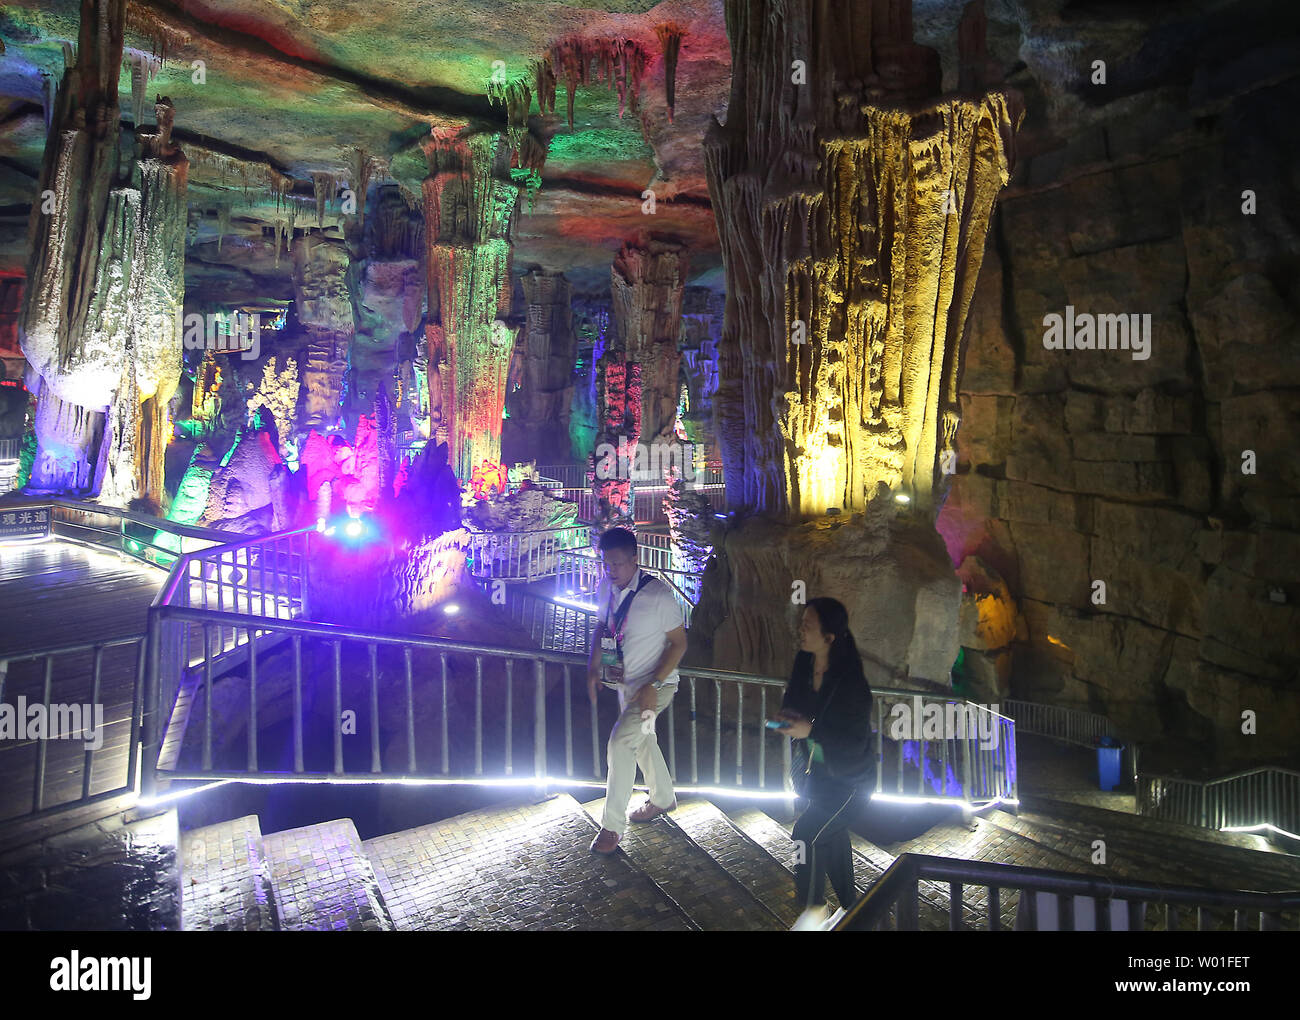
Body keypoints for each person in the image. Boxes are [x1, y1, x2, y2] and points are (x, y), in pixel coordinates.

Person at [585, 527, 688, 854]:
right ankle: (662, 798)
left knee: (621, 742)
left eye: (617, 564)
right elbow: (602, 626)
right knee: (642, 741)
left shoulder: (658, 595)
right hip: (625, 686)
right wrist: (592, 669)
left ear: (635, 559)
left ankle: (612, 826)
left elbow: (679, 643)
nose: (611, 571)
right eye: (606, 564)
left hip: (654, 690)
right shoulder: (606, 588)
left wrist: (654, 684)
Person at [775, 597, 875, 930]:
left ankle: (812, 910)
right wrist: (788, 717)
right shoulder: (805, 661)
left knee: (805, 833)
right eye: (801, 622)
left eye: (808, 625)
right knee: (829, 835)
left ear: (829, 637)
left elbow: (853, 742)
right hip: (817, 774)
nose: (800, 630)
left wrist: (812, 730)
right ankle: (852, 909)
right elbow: (793, 697)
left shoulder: (852, 685)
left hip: (850, 782)